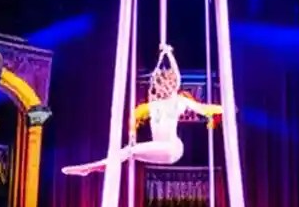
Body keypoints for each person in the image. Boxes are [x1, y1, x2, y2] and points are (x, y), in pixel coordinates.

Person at [63, 44, 221, 176]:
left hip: (173, 148)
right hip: (159, 149)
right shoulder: (153, 104)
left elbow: (199, 104)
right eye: (159, 86)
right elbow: (134, 116)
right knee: (129, 153)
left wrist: (168, 53)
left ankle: (96, 166)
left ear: (171, 87)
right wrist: (132, 133)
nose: (161, 89)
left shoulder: (178, 101)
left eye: (164, 85)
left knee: (129, 151)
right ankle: (103, 165)